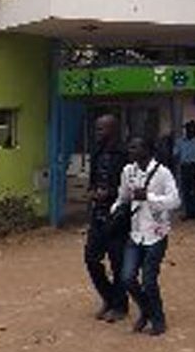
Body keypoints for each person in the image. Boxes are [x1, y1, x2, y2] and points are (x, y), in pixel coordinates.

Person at [113, 137, 180, 336]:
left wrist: (149, 197)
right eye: (130, 147)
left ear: (148, 150)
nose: (130, 150)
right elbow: (123, 196)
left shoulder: (162, 173)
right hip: (135, 233)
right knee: (127, 278)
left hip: (156, 233)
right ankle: (146, 310)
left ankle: (158, 320)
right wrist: (115, 211)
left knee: (149, 280)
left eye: (135, 147)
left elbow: (175, 200)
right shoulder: (128, 171)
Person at [84, 114, 128, 323]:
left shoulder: (125, 155)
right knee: (91, 259)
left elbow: (130, 187)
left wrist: (110, 193)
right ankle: (109, 298)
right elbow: (93, 181)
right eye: (97, 128)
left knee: (118, 263)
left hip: (118, 216)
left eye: (101, 129)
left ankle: (119, 306)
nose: (97, 133)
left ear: (113, 130)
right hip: (98, 214)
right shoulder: (97, 153)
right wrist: (92, 192)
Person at [174, 121, 195, 219]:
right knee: (185, 190)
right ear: (186, 130)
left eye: (194, 129)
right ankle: (187, 212)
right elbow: (175, 154)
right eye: (190, 128)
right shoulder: (180, 141)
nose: (192, 130)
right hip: (185, 167)